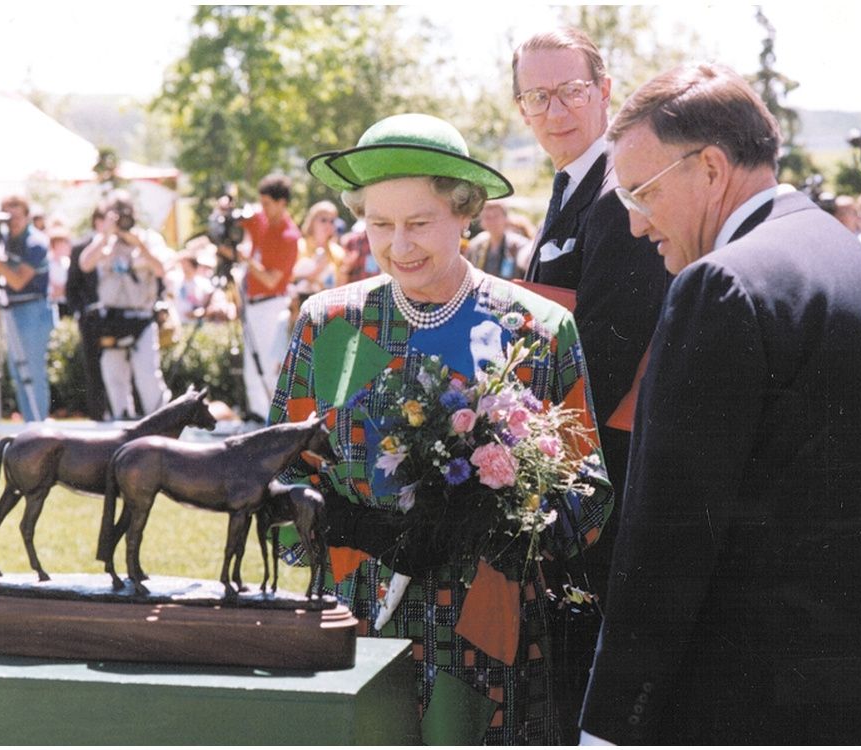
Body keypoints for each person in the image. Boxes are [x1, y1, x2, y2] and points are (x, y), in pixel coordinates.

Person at [578, 62, 861, 746]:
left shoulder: (722, 287)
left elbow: (665, 538)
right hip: (848, 693)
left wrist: (609, 727)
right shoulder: (851, 264)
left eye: (640, 193)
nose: (638, 227)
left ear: (709, 168)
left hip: (731, 701)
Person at [270, 113, 613, 744]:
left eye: (419, 223)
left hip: (487, 634)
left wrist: (495, 519)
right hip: (355, 619)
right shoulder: (331, 323)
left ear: (466, 214)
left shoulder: (532, 329)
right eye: (380, 225)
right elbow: (278, 475)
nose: (399, 245)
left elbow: (585, 495)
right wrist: (361, 527)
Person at [512, 26, 669, 738]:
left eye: (571, 90)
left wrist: (536, 457)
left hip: (601, 466)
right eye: (537, 96)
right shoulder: (571, 185)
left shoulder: (616, 193)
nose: (556, 110)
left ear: (605, 93)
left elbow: (607, 349)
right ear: (520, 110)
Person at [78, 190, 172, 420]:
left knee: (148, 375)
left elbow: (161, 269)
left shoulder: (148, 239)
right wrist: (106, 235)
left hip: (141, 316)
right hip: (112, 318)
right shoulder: (104, 241)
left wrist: (139, 244)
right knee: (114, 375)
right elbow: (85, 264)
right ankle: (121, 421)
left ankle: (162, 421)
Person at [0, 194, 54, 422]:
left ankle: (38, 423)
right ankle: (29, 422)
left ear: (27, 216)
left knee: (32, 371)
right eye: (8, 217)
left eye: (17, 217)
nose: (13, 222)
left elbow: (18, 281)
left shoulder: (36, 242)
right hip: (12, 310)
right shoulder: (5, 239)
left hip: (33, 310)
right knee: (18, 372)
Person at [237, 174, 300, 423]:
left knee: (268, 366)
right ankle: (256, 418)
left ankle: (271, 421)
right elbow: (241, 221)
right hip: (252, 305)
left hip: (272, 304)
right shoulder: (261, 220)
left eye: (267, 204)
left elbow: (272, 280)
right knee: (250, 369)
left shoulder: (289, 235)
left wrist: (246, 260)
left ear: (282, 202)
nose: (262, 209)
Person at [65, 202, 109, 420]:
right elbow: (71, 287)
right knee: (94, 370)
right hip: (92, 316)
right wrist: (81, 311)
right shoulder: (81, 248)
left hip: (117, 315)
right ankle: (99, 417)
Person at [292, 199, 346, 299]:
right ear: (312, 221)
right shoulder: (298, 246)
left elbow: (340, 288)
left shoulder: (339, 252)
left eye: (332, 221)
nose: (328, 225)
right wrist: (316, 271)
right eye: (323, 220)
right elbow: (289, 280)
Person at [465, 199, 530, 279]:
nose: (492, 221)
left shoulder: (519, 245)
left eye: (496, 216)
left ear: (506, 218)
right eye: (487, 217)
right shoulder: (476, 245)